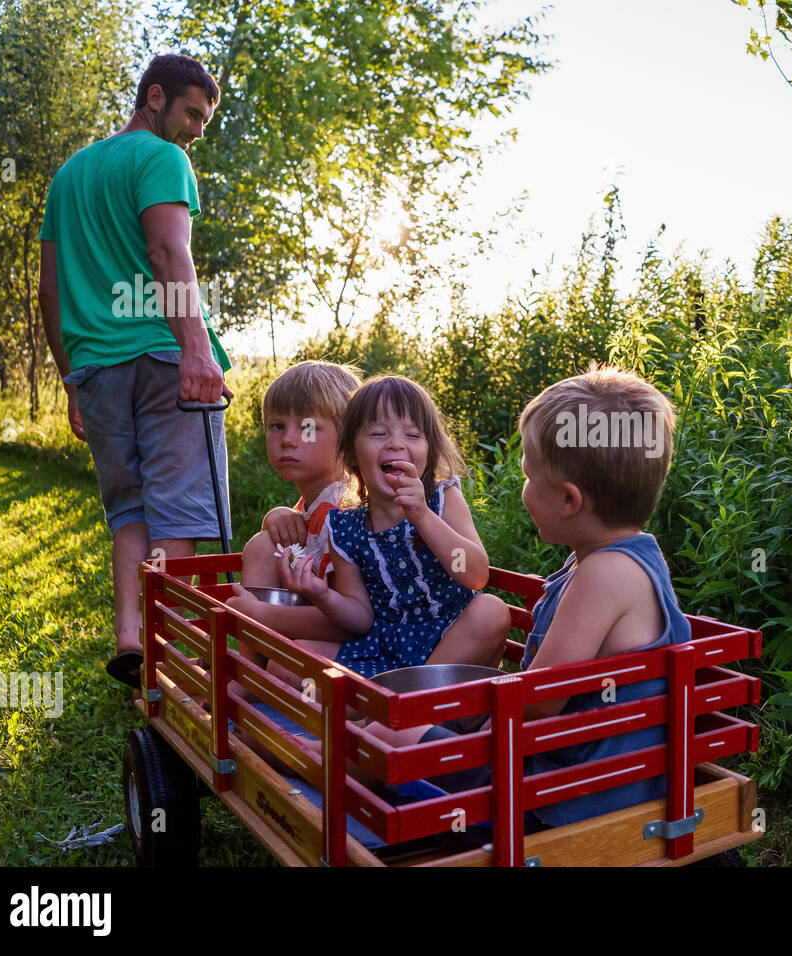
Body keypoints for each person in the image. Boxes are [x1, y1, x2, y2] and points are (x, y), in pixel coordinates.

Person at [366, 365, 691, 829]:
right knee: (412, 726)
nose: (523, 488)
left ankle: (325, 775)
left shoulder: (605, 574)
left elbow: (539, 700)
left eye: (527, 475)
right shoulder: (612, 559)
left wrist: (479, 723)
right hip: (575, 770)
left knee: (389, 736)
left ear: (568, 501)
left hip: (563, 794)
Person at [38, 54, 231, 688]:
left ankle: (131, 638)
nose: (198, 132)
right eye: (193, 114)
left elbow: (49, 291)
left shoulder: (68, 176)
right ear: (155, 97)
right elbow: (167, 249)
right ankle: (173, 662)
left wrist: (71, 377)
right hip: (160, 356)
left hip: (95, 367)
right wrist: (198, 351)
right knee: (180, 514)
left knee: (130, 512)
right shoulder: (161, 159)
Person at [273, 374, 511, 677]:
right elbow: (360, 617)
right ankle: (393, 712)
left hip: (451, 646)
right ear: (351, 454)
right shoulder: (345, 527)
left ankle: (404, 705)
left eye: (413, 435)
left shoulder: (442, 498)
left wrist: (423, 516)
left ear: (430, 451)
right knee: (285, 663)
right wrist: (321, 593)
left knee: (491, 610)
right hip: (384, 650)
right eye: (378, 433)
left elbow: (476, 575)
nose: (396, 444)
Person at [225, 361, 363, 661]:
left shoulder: (345, 512)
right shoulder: (317, 501)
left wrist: (262, 614)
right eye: (277, 426)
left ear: (348, 437)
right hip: (319, 623)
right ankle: (250, 668)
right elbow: (302, 533)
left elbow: (351, 623)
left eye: (308, 427)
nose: (288, 439)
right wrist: (275, 515)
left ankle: (251, 669)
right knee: (264, 544)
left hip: (361, 637)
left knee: (286, 668)